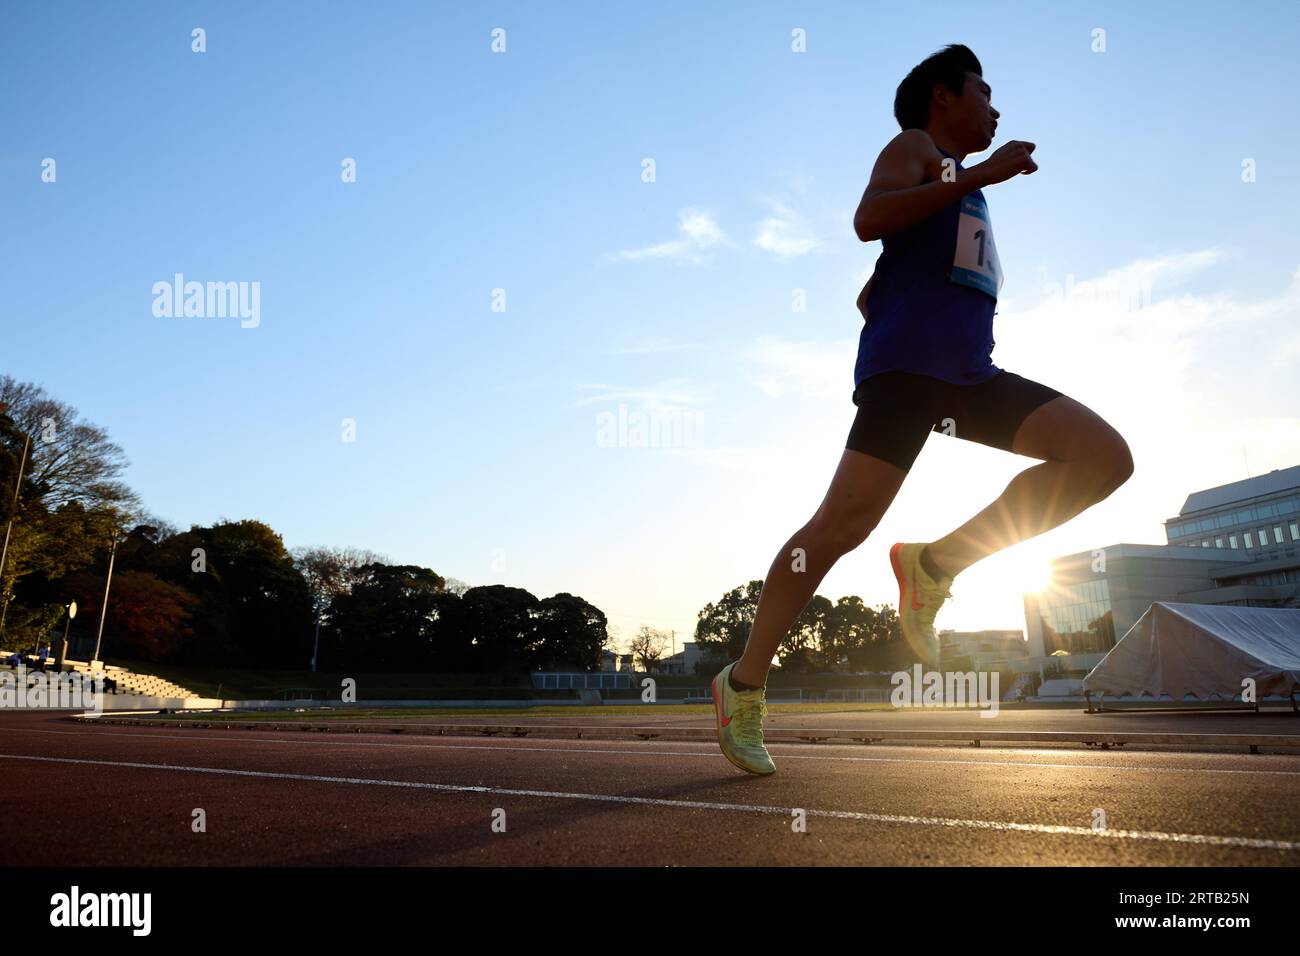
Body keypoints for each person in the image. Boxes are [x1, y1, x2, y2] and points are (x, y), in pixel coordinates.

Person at [713, 44, 1134, 775]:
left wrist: (901, 281)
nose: (996, 109)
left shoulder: (963, 187)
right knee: (837, 528)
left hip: (970, 375)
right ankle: (743, 683)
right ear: (944, 96)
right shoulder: (918, 148)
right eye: (984, 91)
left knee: (1104, 458)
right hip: (908, 375)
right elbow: (868, 217)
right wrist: (979, 171)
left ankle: (935, 563)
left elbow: (879, 283)